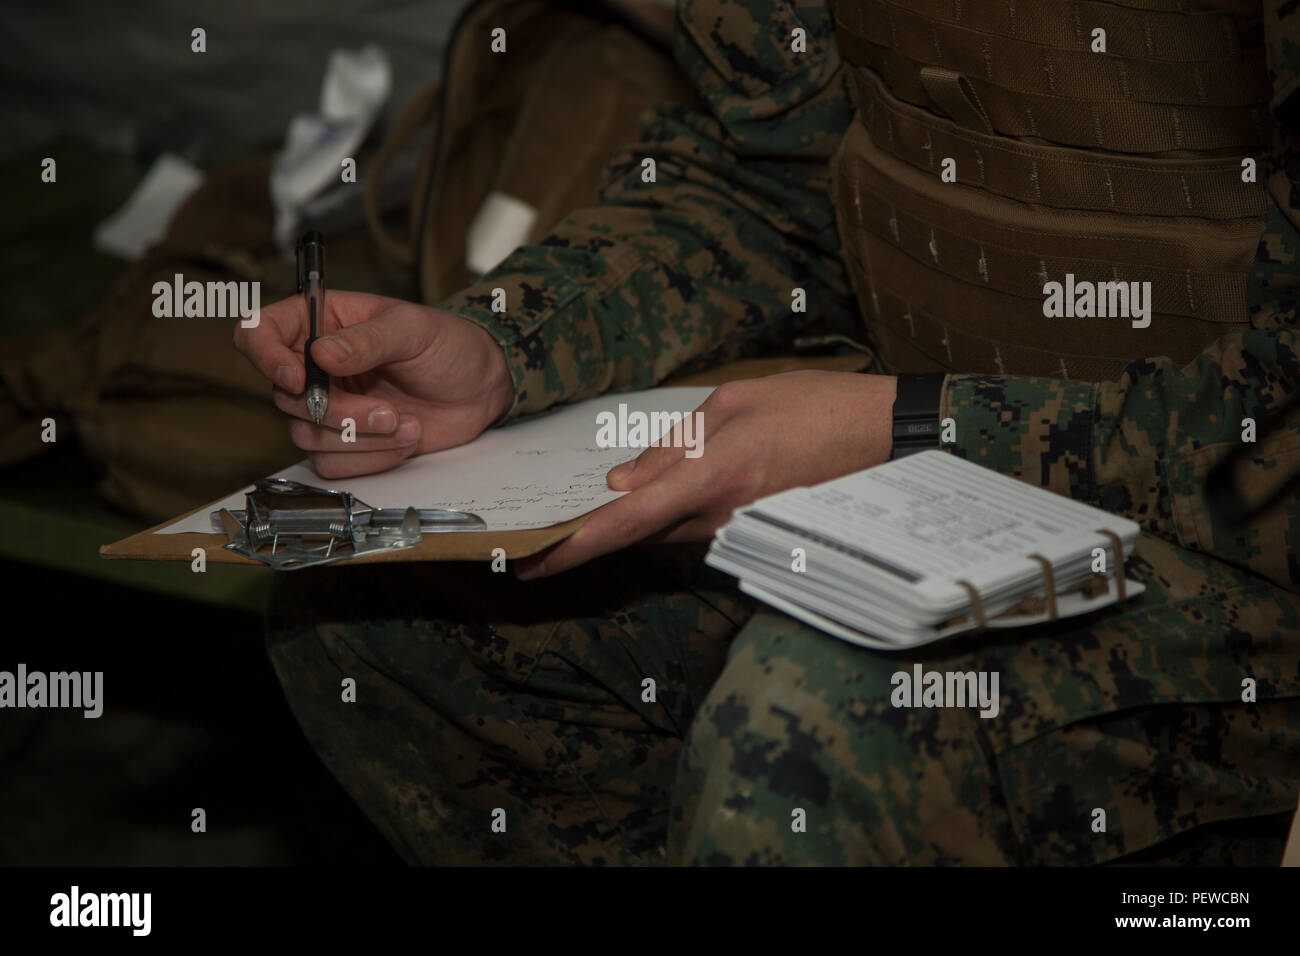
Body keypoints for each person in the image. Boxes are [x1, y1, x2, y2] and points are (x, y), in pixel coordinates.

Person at [235, 0, 1300, 865]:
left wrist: (905, 428)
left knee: (806, 734)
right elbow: (769, 170)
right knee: (373, 600)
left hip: (1242, 535)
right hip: (939, 449)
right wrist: (507, 346)